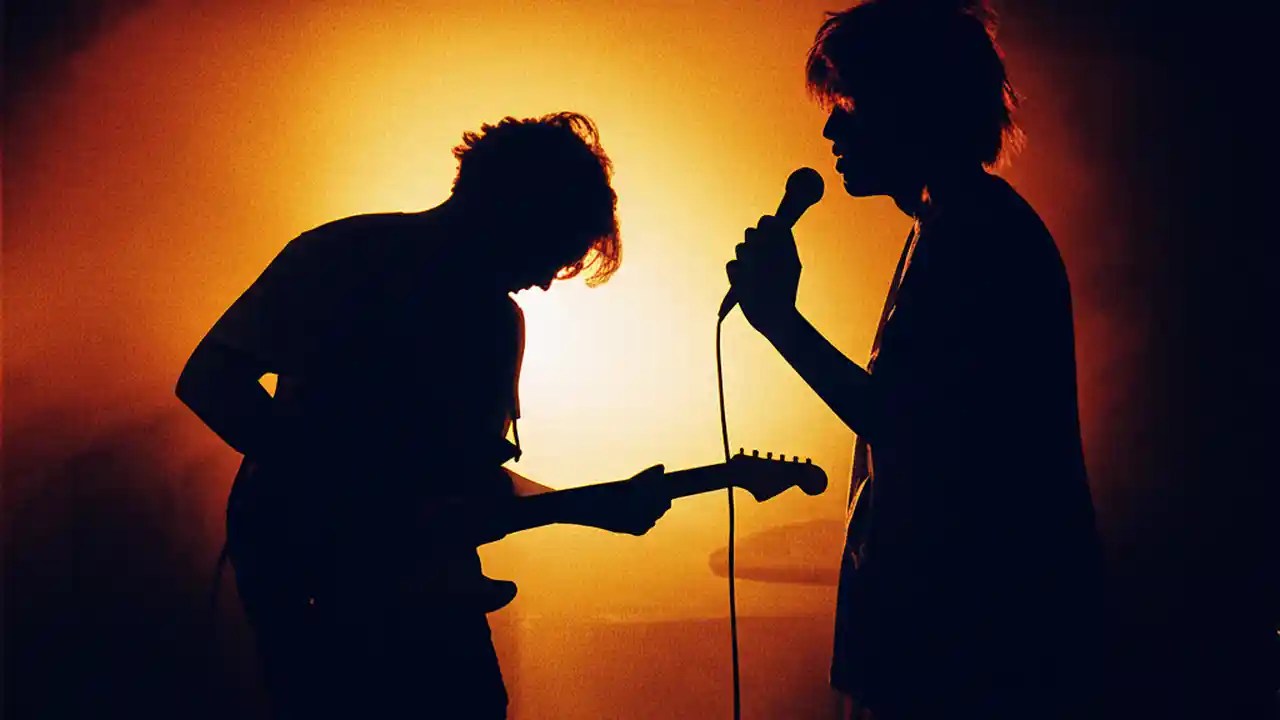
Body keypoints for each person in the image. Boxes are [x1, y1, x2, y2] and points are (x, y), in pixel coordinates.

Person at [176, 112, 670, 718]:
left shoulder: (496, 324)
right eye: (552, 252)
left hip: (429, 589)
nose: (545, 282)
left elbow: (469, 482)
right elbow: (210, 379)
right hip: (324, 583)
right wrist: (342, 491)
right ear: (518, 211)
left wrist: (585, 506)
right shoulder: (343, 257)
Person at [724, 2, 1103, 717]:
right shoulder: (950, 227)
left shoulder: (977, 237)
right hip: (960, 638)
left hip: (979, 649)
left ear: (911, 107)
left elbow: (908, 425)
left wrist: (780, 323)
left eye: (851, 103)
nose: (833, 127)